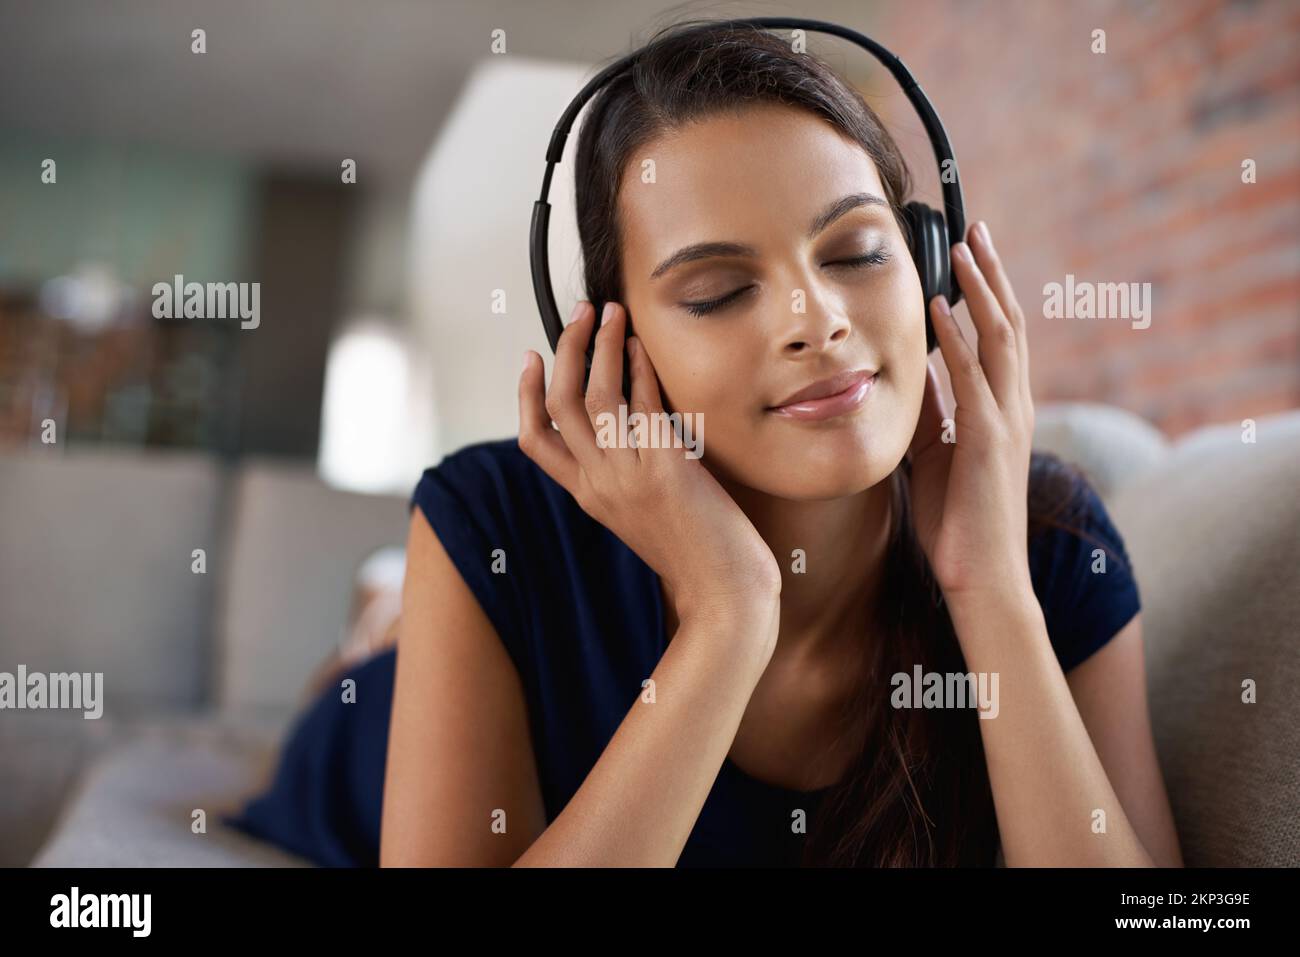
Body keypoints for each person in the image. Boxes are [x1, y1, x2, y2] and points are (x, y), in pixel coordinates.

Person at [230, 18, 1182, 868]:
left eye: (856, 252)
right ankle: (379, 625)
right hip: (357, 745)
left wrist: (992, 590)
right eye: (718, 292)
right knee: (360, 684)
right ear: (621, 351)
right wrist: (727, 618)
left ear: (932, 264)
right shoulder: (490, 520)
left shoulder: (1050, 539)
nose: (818, 321)